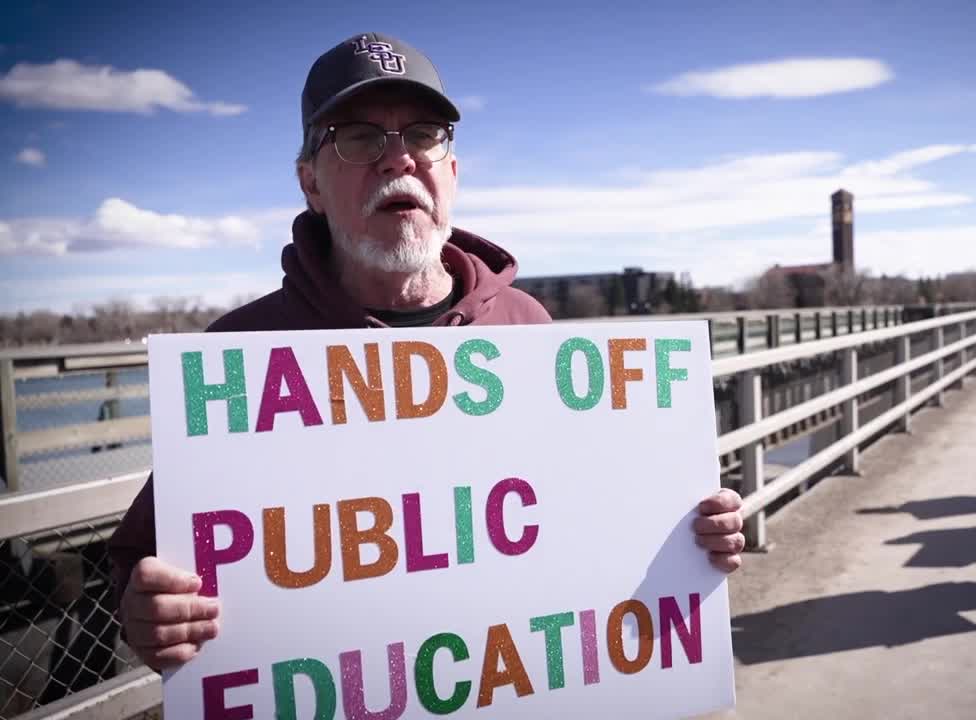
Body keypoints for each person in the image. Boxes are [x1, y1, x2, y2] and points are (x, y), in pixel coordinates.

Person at [106, 32, 746, 671]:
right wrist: (148, 612)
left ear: (453, 171)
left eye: (424, 134)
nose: (398, 160)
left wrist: (691, 537)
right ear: (311, 184)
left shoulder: (528, 326)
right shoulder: (240, 356)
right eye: (357, 138)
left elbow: (600, 508)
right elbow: (143, 557)